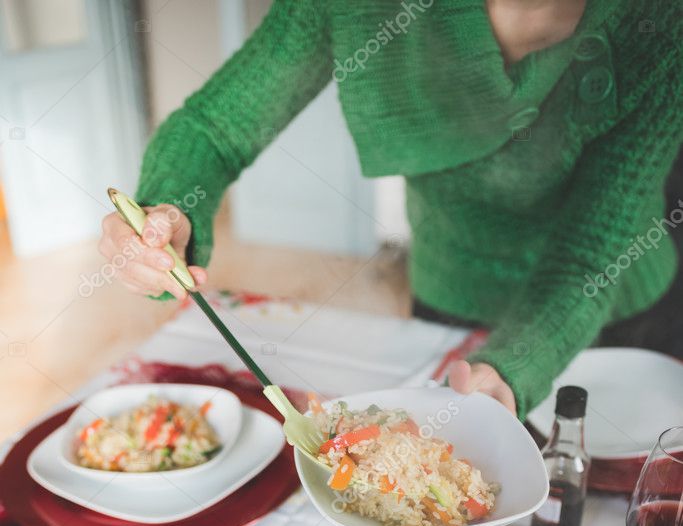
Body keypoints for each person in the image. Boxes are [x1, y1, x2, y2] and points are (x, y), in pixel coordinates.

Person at [99, 0, 683, 419]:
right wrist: (166, 211)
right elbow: (217, 127)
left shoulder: (660, 21)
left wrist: (515, 368)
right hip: (449, 295)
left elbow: (590, 257)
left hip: (619, 314)